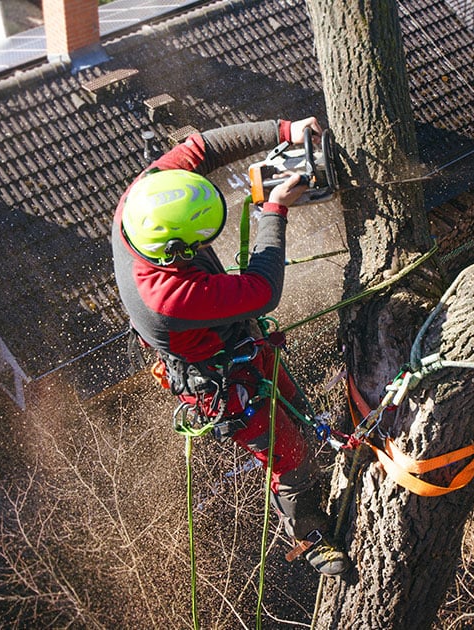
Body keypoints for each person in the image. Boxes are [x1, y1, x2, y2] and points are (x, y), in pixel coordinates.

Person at [112, 117, 351, 576]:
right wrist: (273, 211)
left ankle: (314, 442)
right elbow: (263, 288)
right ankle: (310, 535)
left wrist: (284, 130)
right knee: (287, 452)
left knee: (293, 405)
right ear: (176, 250)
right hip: (220, 378)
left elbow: (202, 147)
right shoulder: (168, 299)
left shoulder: (145, 197)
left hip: (240, 340)